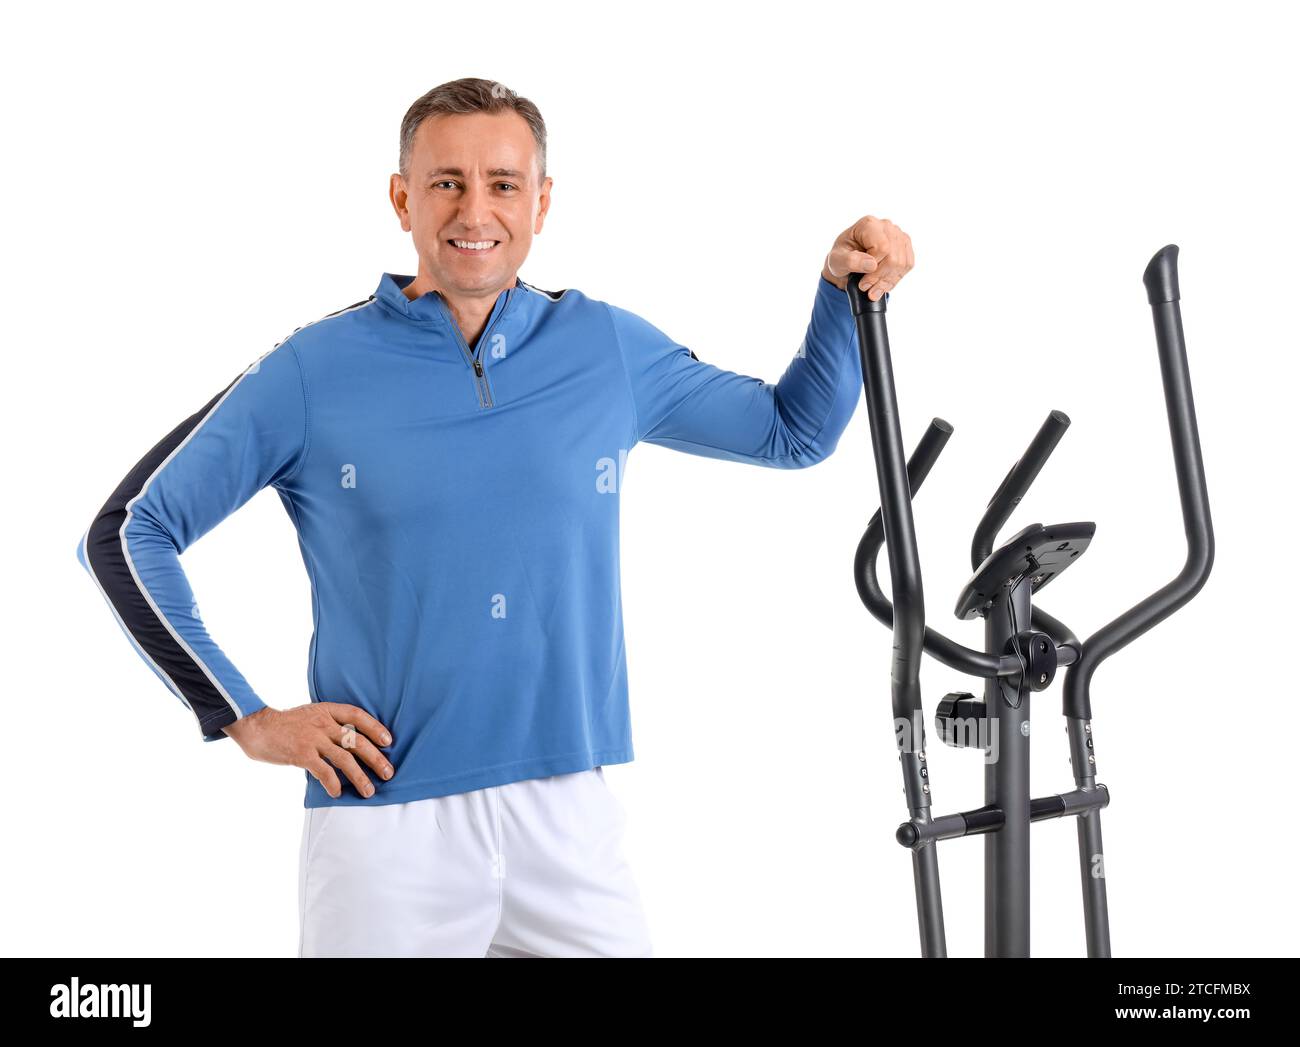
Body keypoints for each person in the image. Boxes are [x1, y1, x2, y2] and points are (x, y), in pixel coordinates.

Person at [75, 77, 915, 958]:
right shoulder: (313, 369)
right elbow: (130, 531)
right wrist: (246, 716)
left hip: (568, 810)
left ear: (542, 202)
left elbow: (794, 431)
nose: (475, 209)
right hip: (385, 829)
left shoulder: (604, 349)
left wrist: (838, 290)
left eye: (504, 183)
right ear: (402, 197)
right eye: (446, 182)